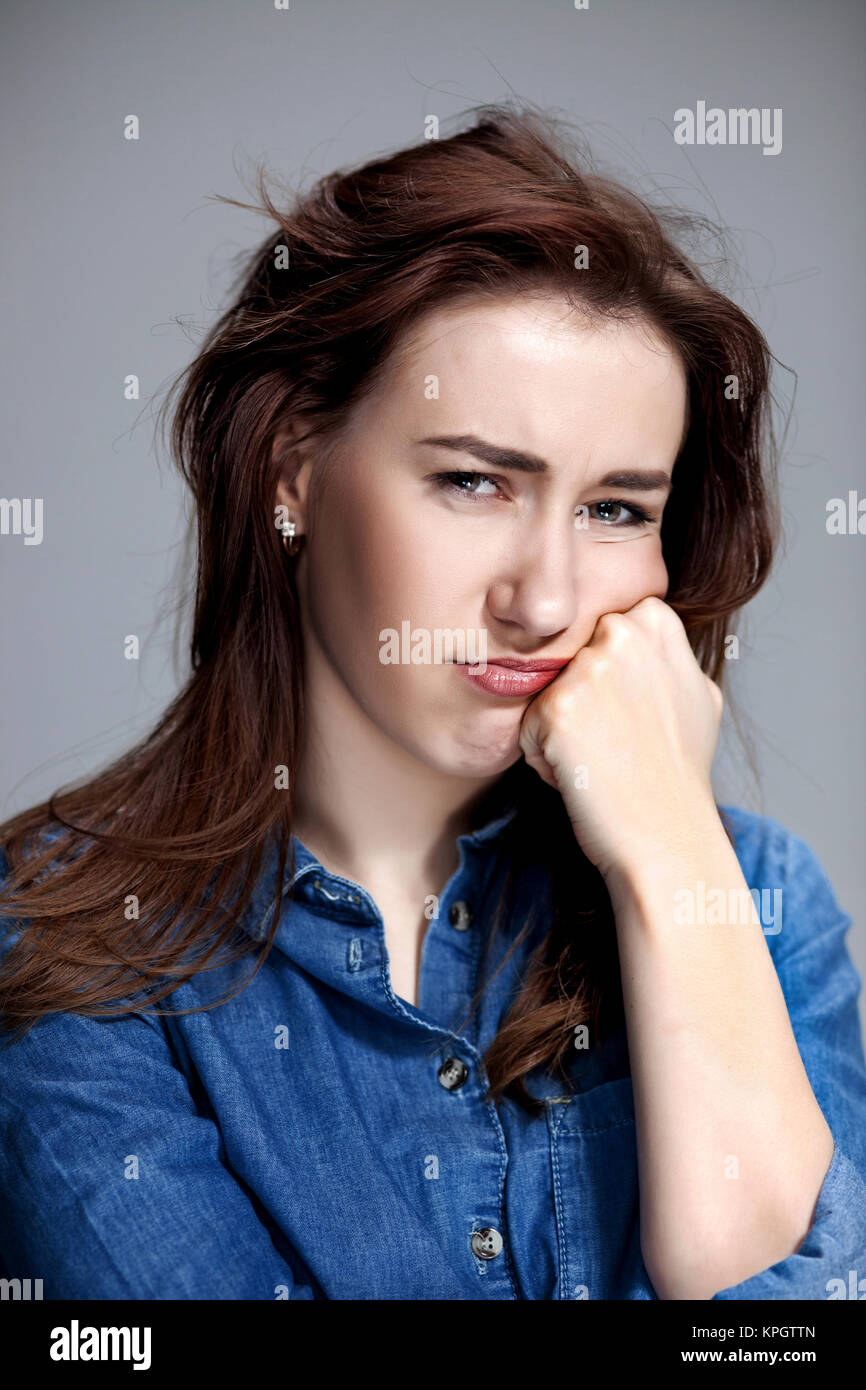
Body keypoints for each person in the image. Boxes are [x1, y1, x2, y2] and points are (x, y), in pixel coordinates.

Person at [1, 104, 864, 1301]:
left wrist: (671, 852)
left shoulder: (760, 916)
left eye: (615, 507)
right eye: (472, 481)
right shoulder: (61, 939)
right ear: (293, 471)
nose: (544, 597)